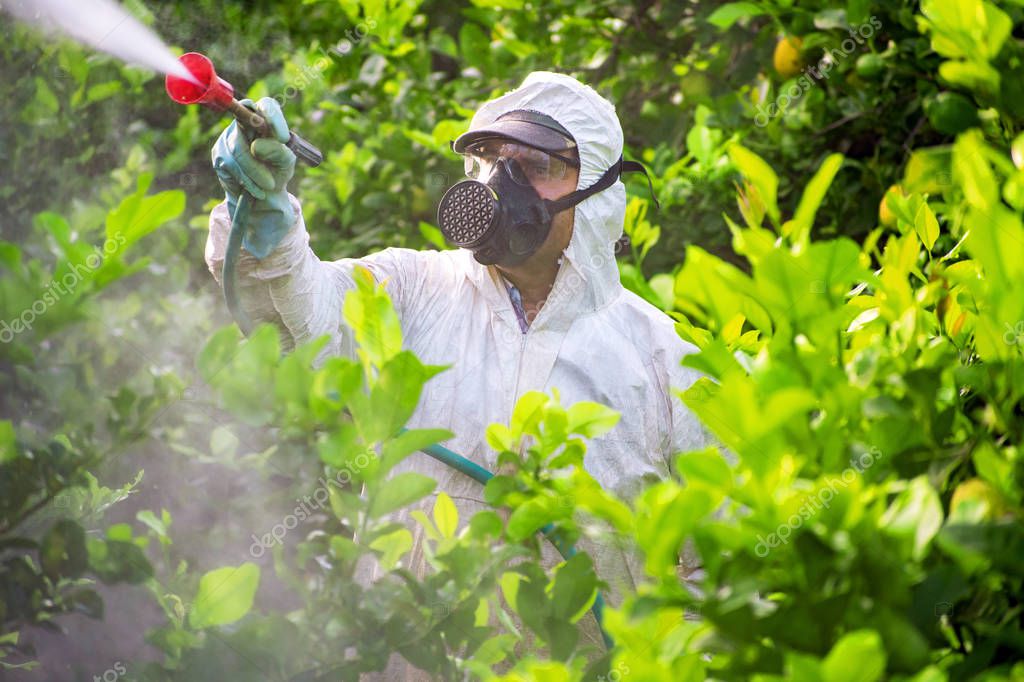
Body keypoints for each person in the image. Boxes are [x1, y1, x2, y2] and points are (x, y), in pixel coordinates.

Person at [205, 71, 708, 677]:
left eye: (538, 166)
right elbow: (301, 319)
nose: (502, 184)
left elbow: (718, 578)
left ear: (599, 192)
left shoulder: (665, 361)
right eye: (493, 159)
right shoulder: (411, 290)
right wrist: (266, 221)